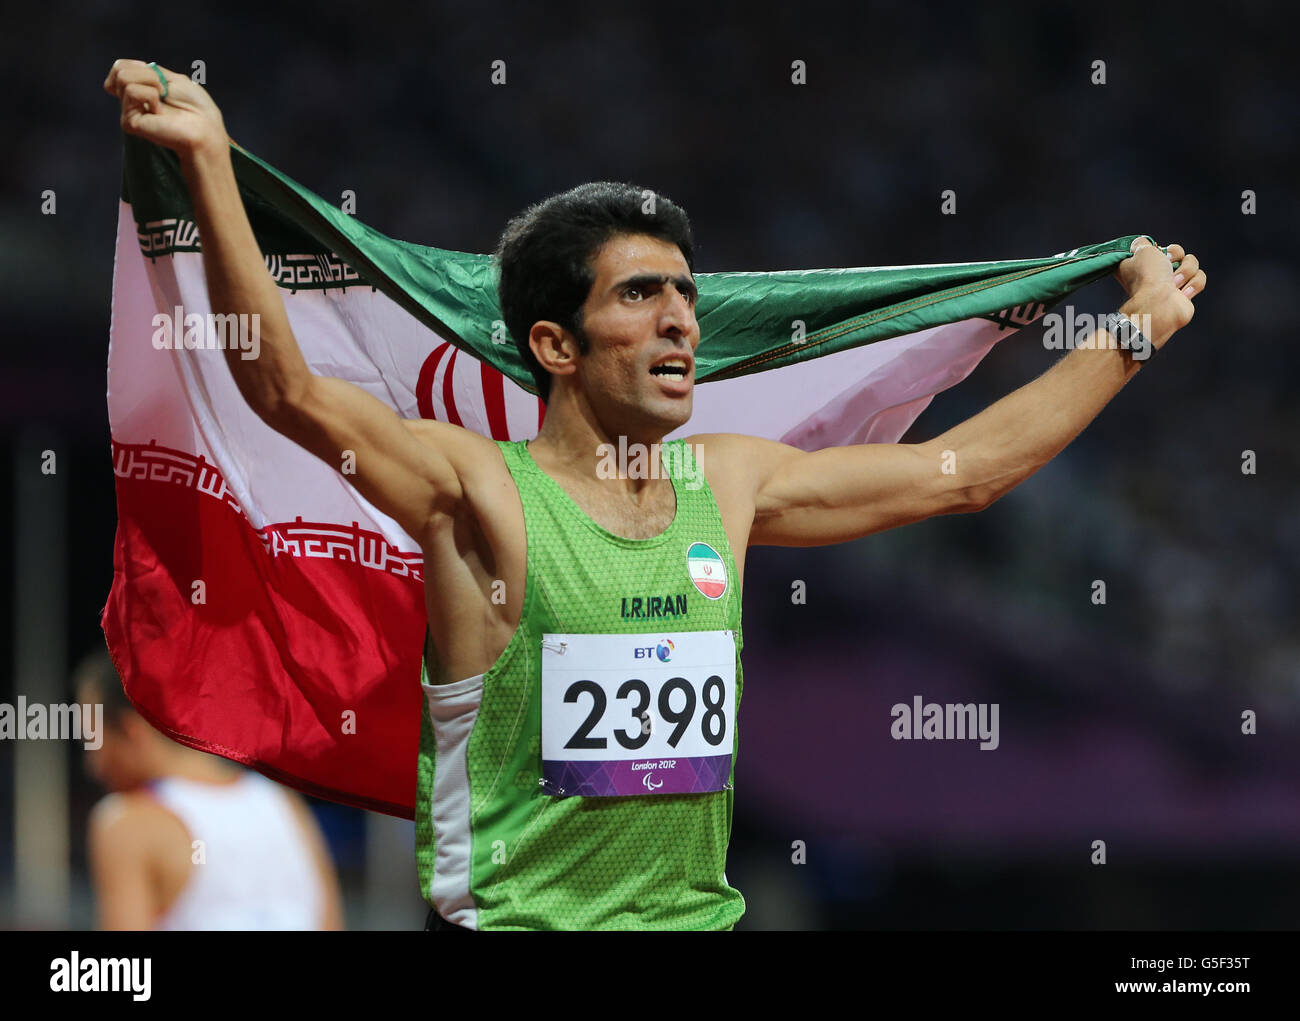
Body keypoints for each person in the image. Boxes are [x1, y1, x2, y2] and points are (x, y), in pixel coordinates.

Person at [102, 59, 1207, 931]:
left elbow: (963, 474)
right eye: (641, 295)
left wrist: (1133, 334)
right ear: (555, 344)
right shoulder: (473, 492)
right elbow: (286, 389)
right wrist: (209, 163)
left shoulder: (724, 480)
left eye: (684, 292)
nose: (682, 318)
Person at [75, 649, 345, 930]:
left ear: (132, 731)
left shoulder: (126, 822)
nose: (93, 765)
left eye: (93, 740)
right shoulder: (283, 803)